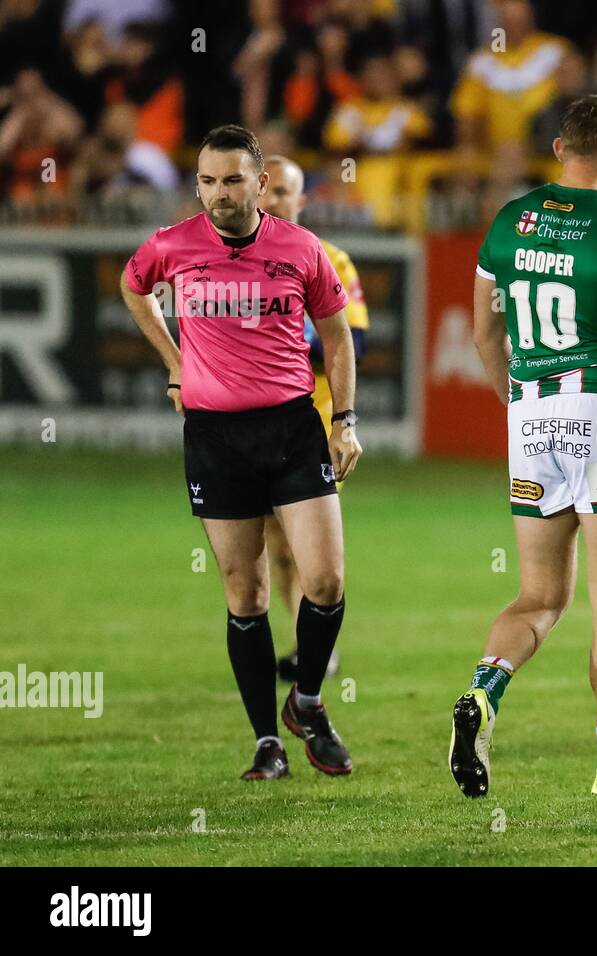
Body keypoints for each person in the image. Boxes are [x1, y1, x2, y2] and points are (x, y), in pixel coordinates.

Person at [450, 95, 597, 800]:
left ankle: (484, 691)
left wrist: (521, 411)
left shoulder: (507, 223)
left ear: (557, 150)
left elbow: (487, 334)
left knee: (539, 595)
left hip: (533, 415)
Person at [119, 124, 362, 779]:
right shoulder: (172, 245)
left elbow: (338, 341)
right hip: (215, 437)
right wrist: (174, 359)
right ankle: (266, 742)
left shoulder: (301, 249)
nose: (218, 193)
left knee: (325, 579)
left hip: (291, 429)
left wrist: (343, 421)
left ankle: (306, 701)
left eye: (231, 180)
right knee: (245, 591)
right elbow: (132, 284)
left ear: (259, 183)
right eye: (206, 181)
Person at [257, 154, 369, 684]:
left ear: (301, 201)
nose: (272, 199)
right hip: (251, 425)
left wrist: (280, 344)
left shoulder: (331, 260)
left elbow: (356, 342)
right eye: (266, 189)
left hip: (312, 422)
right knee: (275, 547)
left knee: (308, 550)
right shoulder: (234, 259)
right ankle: (308, 648)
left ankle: (317, 655)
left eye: (284, 191)